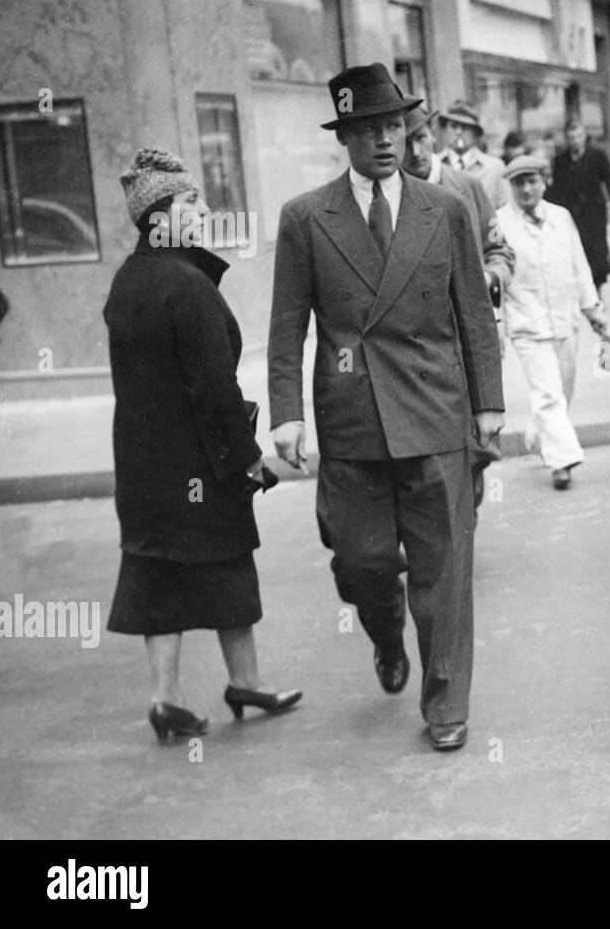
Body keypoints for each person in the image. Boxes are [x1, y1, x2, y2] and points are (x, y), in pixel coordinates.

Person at [268, 63, 504, 752]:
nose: (384, 139)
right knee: (363, 561)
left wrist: (488, 402)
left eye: (394, 125)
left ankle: (445, 702)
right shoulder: (306, 218)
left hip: (434, 412)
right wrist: (287, 413)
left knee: (445, 568)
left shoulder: (445, 209)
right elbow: (287, 326)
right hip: (353, 421)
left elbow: (474, 316)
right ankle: (382, 624)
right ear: (344, 137)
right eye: (368, 128)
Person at [104, 147, 301, 743]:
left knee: (155, 571)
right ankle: (246, 680)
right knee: (227, 562)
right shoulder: (186, 285)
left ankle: (167, 699)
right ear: (159, 215)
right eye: (191, 201)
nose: (203, 209)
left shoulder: (128, 280)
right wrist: (246, 459)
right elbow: (214, 389)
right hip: (197, 460)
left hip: (141, 463)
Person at [403, 102, 515, 508]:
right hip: (412, 344)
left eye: (421, 139)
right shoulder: (389, 196)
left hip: (467, 338)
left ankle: (460, 521)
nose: (415, 153)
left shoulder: (467, 187)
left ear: (434, 136)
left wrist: (485, 277)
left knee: (474, 448)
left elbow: (500, 250)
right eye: (406, 143)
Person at [495, 155, 610, 490]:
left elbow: (580, 267)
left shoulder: (561, 217)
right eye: (519, 183)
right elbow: (494, 280)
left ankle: (536, 436)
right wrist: (496, 324)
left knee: (561, 391)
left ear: (544, 182)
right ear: (510, 187)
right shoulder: (499, 223)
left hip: (565, 319)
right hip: (526, 323)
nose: (526, 189)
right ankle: (562, 462)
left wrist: (594, 312)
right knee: (548, 394)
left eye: (532, 181)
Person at [547, 118, 610, 293]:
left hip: (594, 213)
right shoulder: (560, 160)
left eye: (579, 136)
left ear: (584, 136)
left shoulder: (597, 156)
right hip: (573, 214)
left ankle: (597, 288)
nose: (575, 140)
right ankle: (585, 288)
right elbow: (556, 190)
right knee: (577, 249)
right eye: (571, 137)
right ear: (567, 139)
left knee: (597, 250)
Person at [437, 100, 509, 209]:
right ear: (445, 130)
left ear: (475, 133)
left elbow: (506, 207)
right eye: (453, 126)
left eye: (465, 127)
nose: (458, 132)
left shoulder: (494, 167)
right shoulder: (435, 164)